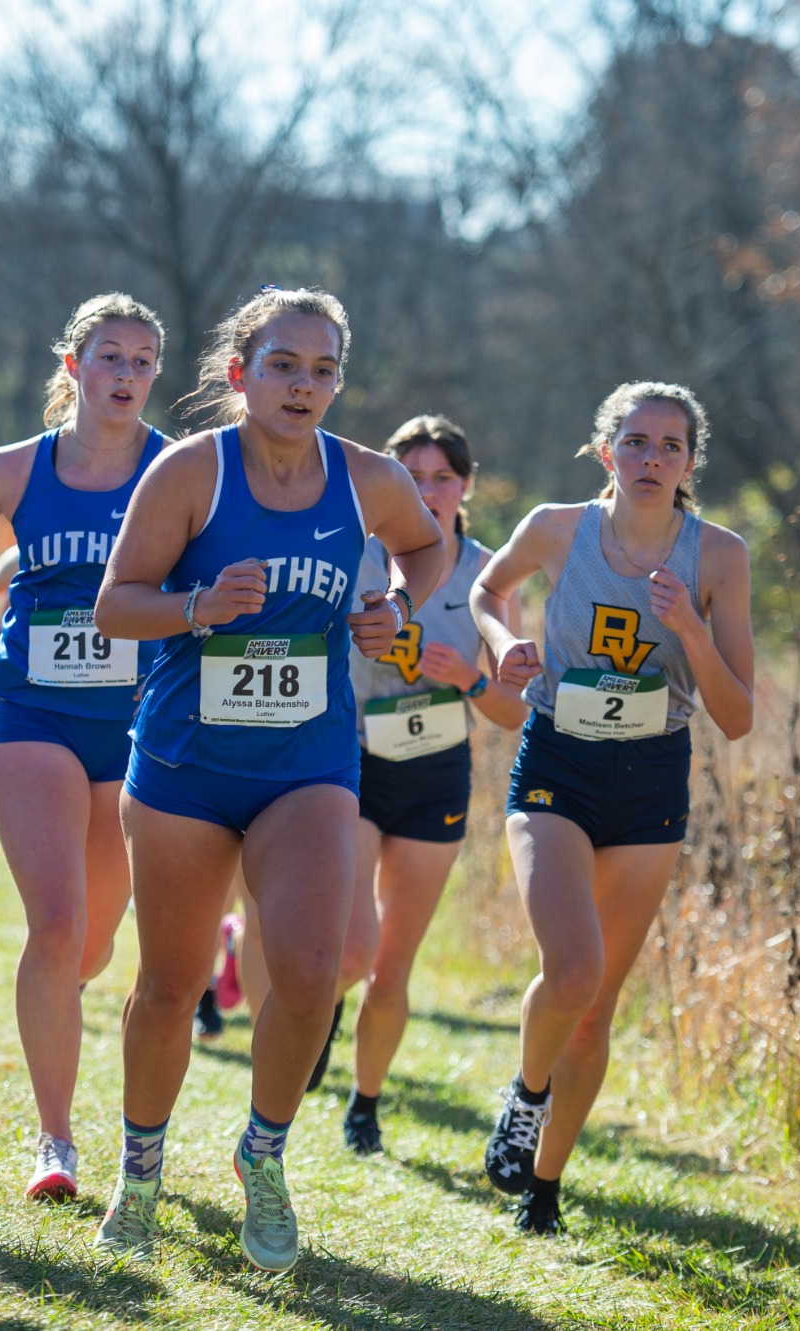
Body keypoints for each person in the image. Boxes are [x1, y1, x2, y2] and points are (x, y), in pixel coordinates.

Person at [91, 287, 445, 1272]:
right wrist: (198, 603)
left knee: (309, 967)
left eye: (322, 369)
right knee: (169, 984)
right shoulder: (188, 473)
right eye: (282, 365)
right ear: (239, 373)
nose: (303, 386)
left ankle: (263, 1150)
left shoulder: (364, 477)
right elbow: (114, 606)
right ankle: (142, 1167)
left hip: (307, 762)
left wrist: (393, 608)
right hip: (182, 767)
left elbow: (423, 544)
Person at [470, 381, 754, 1235]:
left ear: (690, 464)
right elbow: (487, 591)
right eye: (635, 442)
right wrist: (504, 643)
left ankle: (544, 1186)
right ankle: (526, 1097)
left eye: (671, 446)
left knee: (596, 1009)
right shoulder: (559, 528)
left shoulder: (721, 556)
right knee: (572, 969)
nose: (651, 459)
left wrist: (694, 632)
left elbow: (738, 717)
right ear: (607, 452)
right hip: (558, 760)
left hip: (651, 778)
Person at [0, 293, 169, 1203]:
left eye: (143, 361)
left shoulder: (184, 473)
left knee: (94, 944)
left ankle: (67, 990)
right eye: (110, 357)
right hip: (32, 713)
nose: (126, 375)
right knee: (56, 927)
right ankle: (55, 1139)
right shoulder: (17, 469)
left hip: (141, 726)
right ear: (73, 367)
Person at [332, 414, 528, 1152]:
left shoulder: (487, 575)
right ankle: (315, 1017)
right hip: (351, 761)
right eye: (411, 476)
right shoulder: (356, 559)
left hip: (435, 769)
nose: (428, 489)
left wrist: (469, 675)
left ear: (465, 484)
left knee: (390, 965)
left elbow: (513, 710)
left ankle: (365, 1103)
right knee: (351, 948)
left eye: (442, 476)